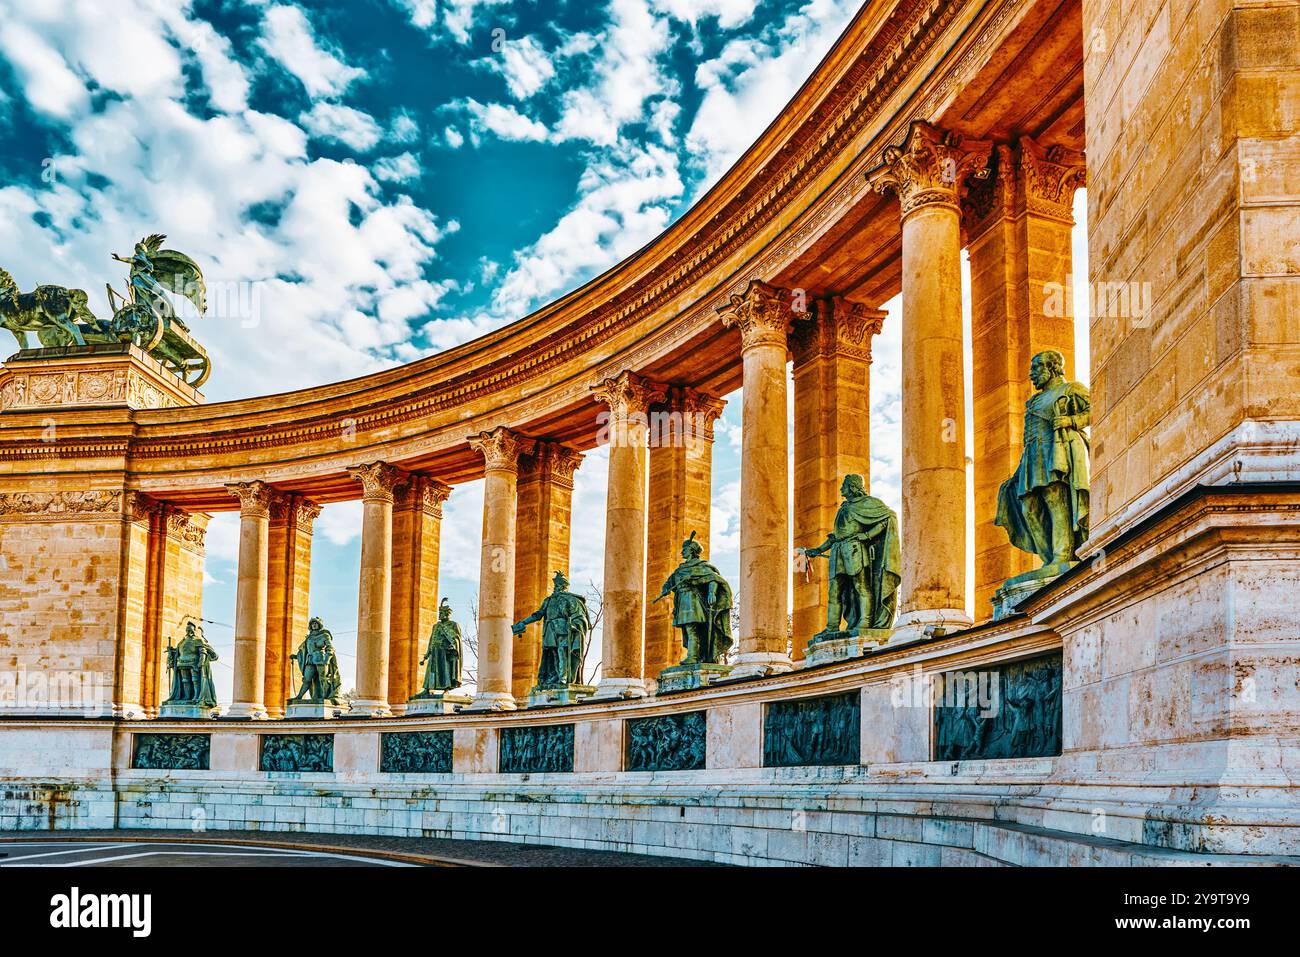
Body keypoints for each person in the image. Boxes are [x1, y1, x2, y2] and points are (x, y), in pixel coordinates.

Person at [995, 349, 1091, 570]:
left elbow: (1095, 409)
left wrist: (1071, 420)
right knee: (1028, 507)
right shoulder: (1034, 401)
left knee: (1056, 503)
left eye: (1036, 368)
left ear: (1053, 368)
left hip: (1055, 453)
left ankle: (1062, 555)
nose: (1031, 374)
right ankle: (1049, 558)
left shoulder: (1070, 389)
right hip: (1032, 457)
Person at [802, 474, 901, 638]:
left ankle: (865, 621)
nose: (841, 488)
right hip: (838, 550)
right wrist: (818, 550)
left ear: (853, 487)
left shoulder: (868, 503)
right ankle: (832, 626)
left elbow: (887, 518)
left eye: (844, 485)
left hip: (855, 549)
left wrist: (866, 536)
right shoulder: (843, 507)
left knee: (860, 586)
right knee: (835, 591)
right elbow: (835, 536)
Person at [653, 531, 733, 664]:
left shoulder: (701, 566)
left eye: (684, 549)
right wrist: (665, 589)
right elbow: (670, 582)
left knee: (692, 628)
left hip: (693, 600)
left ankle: (693, 657)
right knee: (687, 629)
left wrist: (711, 593)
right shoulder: (680, 569)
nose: (681, 552)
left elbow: (713, 578)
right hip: (682, 601)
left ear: (691, 550)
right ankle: (696, 655)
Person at [512, 572, 591, 688]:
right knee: (552, 654)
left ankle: (563, 677)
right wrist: (523, 622)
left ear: (564, 586)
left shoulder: (570, 600)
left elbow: (579, 616)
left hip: (563, 629)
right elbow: (538, 615)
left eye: (558, 585)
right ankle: (556, 675)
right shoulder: (548, 600)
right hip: (550, 631)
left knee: (562, 651)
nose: (556, 587)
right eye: (555, 585)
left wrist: (574, 625)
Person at [290, 617, 342, 703]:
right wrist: (295, 656)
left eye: (316, 623)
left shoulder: (325, 635)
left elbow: (331, 648)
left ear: (319, 625)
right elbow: (305, 651)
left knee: (323, 678)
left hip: (321, 659)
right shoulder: (309, 638)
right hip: (310, 659)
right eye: (312, 623)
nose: (314, 625)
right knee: (307, 679)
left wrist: (327, 659)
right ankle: (299, 696)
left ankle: (324, 697)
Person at [419, 599, 463, 693]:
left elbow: (457, 638)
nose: (440, 615)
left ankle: (446, 688)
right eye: (440, 613)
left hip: (445, 651)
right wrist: (427, 654)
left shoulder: (453, 625)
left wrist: (453, 644)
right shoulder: (436, 626)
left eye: (442, 613)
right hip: (435, 651)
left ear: (447, 614)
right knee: (431, 669)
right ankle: (427, 689)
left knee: (445, 669)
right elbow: (432, 639)